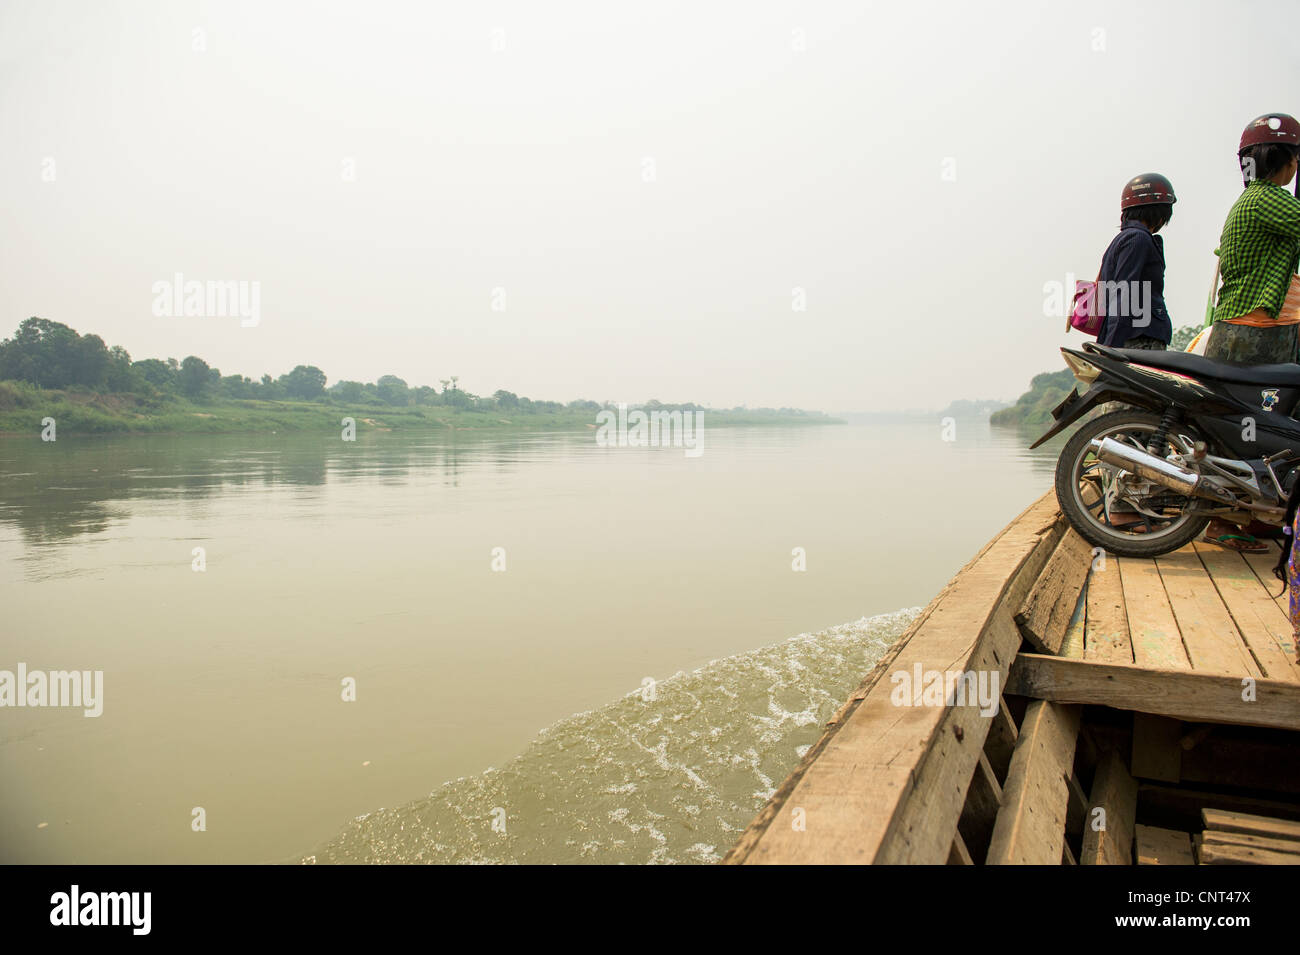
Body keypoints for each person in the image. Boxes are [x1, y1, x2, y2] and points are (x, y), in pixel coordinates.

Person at [1201, 112, 1300, 552]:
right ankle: (1222, 518)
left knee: (1259, 430)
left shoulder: (1256, 199)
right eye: (1294, 157)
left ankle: (1255, 517)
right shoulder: (1267, 198)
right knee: (1243, 429)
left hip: (1259, 327)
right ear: (1281, 158)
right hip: (1254, 330)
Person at [1096, 174, 1176, 350]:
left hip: (1130, 337)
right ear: (1160, 213)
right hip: (1139, 340)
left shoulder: (1124, 239)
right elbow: (1124, 296)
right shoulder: (1138, 239)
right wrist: (1110, 350)